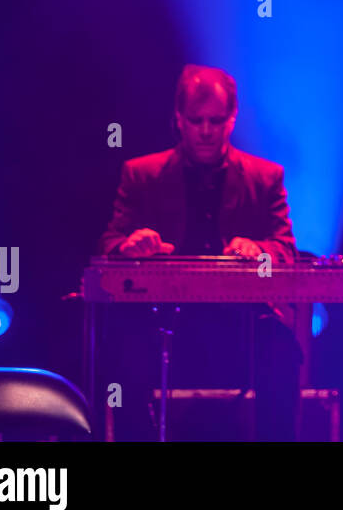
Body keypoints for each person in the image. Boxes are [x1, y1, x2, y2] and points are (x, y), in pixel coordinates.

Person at [97, 64, 301, 441]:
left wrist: (259, 249)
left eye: (216, 120)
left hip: (241, 322)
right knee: (123, 351)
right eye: (196, 120)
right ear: (179, 119)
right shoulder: (141, 174)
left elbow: (286, 250)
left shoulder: (265, 176)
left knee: (282, 348)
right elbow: (109, 245)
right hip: (161, 321)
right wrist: (129, 247)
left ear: (232, 119)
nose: (206, 131)